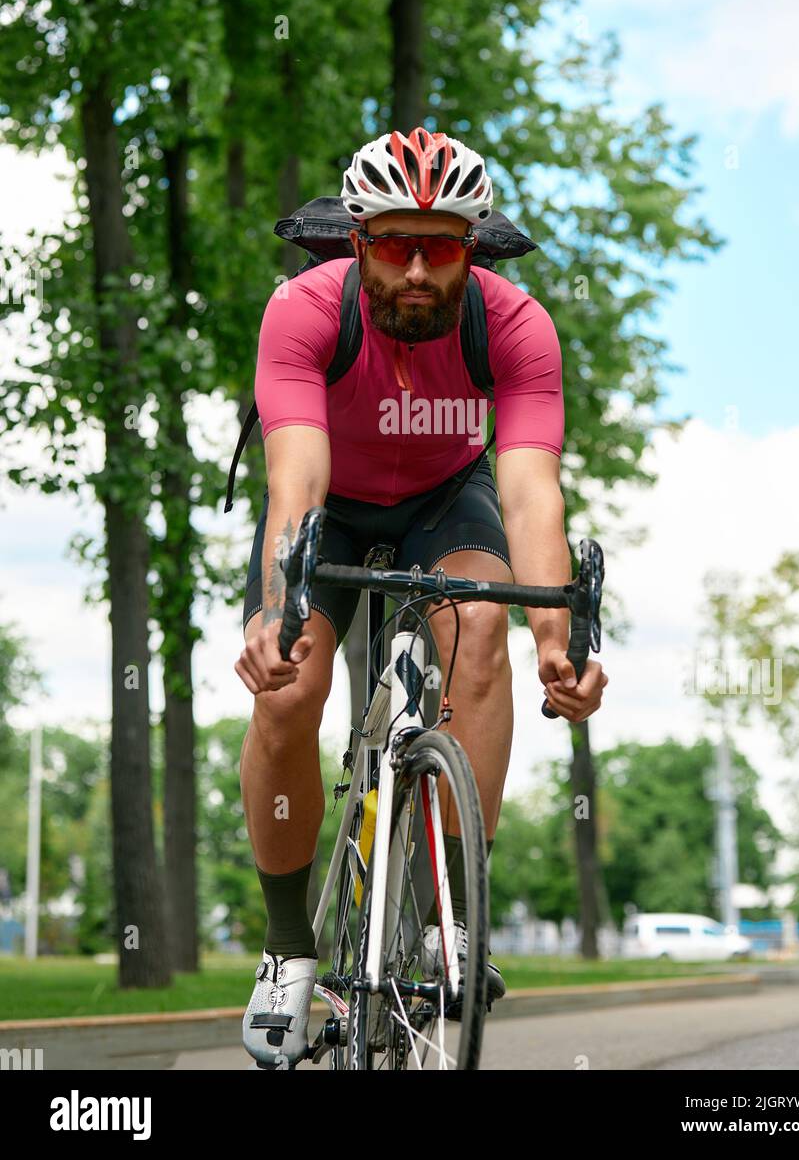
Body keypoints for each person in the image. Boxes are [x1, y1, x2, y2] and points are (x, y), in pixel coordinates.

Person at [234, 127, 608, 1067]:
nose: (413, 268)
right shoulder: (303, 309)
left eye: (439, 246)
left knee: (482, 625)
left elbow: (528, 489)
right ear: (355, 241)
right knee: (287, 689)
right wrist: (279, 603)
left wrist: (555, 637)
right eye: (393, 242)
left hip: (448, 500)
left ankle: (451, 914)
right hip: (334, 509)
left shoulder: (514, 324)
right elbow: (297, 480)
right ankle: (286, 949)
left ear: (472, 248)